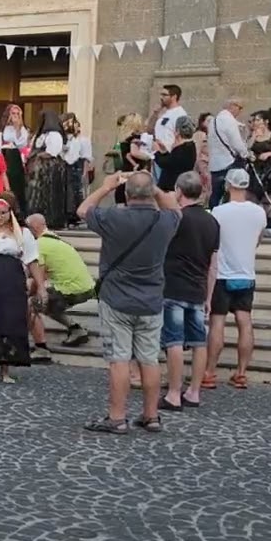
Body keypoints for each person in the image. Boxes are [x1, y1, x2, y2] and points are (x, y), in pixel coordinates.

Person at [77, 171, 182, 434]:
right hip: (151, 300)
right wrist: (156, 190)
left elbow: (83, 210)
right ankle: (151, 415)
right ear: (150, 194)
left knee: (119, 359)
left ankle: (117, 416)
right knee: (149, 359)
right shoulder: (164, 221)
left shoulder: (113, 217)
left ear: (126, 194)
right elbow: (177, 210)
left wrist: (105, 187)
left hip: (117, 299)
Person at [159, 171, 220, 412]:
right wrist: (209, 296)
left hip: (173, 286)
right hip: (198, 287)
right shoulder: (212, 222)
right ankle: (194, 392)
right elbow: (213, 264)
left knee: (173, 340)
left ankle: (173, 393)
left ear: (179, 192)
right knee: (198, 342)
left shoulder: (176, 218)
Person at [205, 168, 267, 391]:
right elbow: (258, 240)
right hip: (246, 274)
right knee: (245, 322)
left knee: (217, 323)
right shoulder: (259, 213)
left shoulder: (218, 212)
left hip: (222, 274)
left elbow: (211, 243)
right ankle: (241, 373)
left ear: (228, 185)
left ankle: (210, 372)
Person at [0, 193, 42, 378]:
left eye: (3, 213)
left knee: (9, 321)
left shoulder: (23, 233)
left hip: (12, 281)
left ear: (10, 212)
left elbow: (32, 260)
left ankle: (5, 369)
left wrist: (41, 286)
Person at [26, 213, 93, 348]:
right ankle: (76, 329)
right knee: (48, 302)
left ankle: (39, 346)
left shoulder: (39, 245)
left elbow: (38, 279)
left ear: (33, 228)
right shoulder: (55, 238)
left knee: (30, 304)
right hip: (86, 287)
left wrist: (28, 294)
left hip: (71, 289)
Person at [26, 109, 71, 229]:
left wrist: (38, 155)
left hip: (51, 169)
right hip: (40, 169)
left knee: (51, 195)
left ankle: (52, 220)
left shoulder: (54, 135)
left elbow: (52, 152)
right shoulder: (41, 135)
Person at [154, 116, 198, 193]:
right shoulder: (190, 146)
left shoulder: (182, 149)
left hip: (171, 188)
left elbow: (165, 163)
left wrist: (156, 151)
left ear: (177, 131)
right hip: (179, 186)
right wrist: (164, 151)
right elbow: (172, 161)